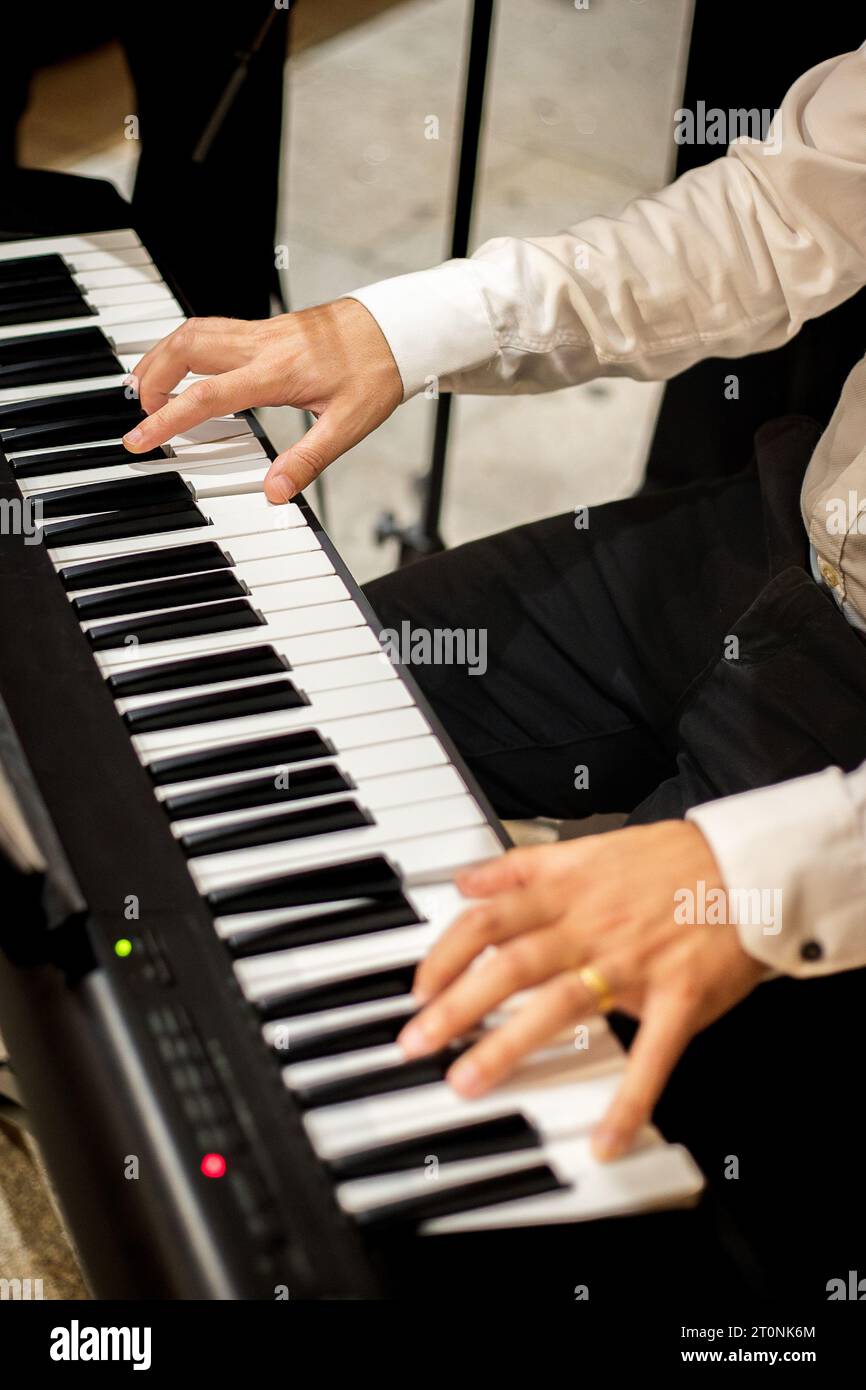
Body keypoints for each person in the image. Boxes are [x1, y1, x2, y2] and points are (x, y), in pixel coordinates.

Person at [122, 48, 866, 1292]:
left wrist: (777, 868)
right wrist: (392, 328)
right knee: (256, 725)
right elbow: (787, 207)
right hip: (794, 533)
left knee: (516, 1108)